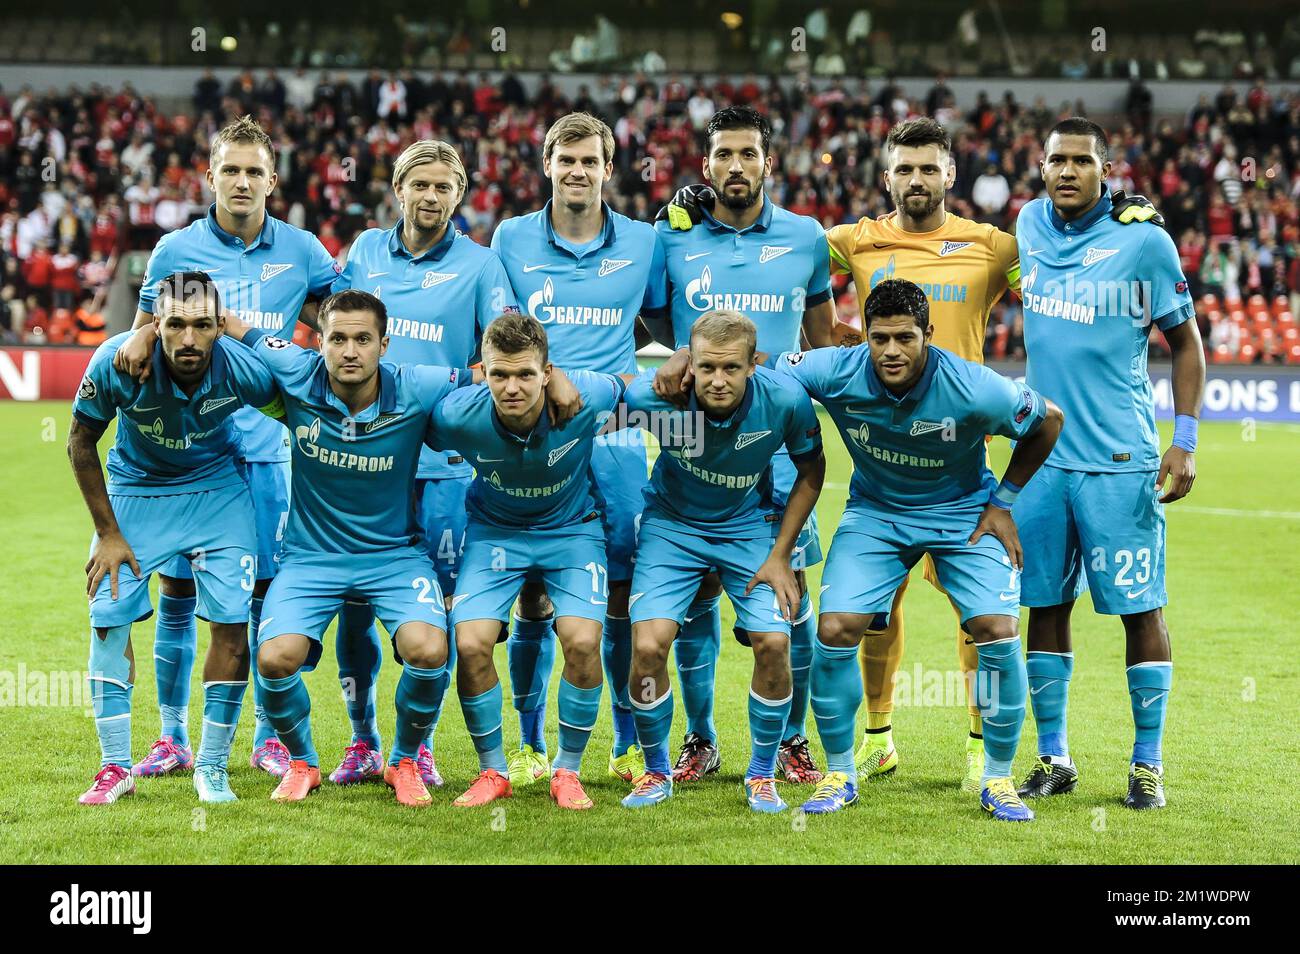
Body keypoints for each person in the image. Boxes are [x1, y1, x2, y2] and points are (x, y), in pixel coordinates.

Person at [776, 279, 1064, 820]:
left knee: (997, 632)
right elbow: (763, 371)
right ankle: (840, 773)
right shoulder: (836, 369)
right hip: (876, 516)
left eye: (904, 338)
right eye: (879, 338)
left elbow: (1049, 421)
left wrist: (1003, 501)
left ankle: (998, 779)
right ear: (864, 336)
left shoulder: (975, 388)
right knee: (835, 629)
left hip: (962, 516)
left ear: (928, 334)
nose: (890, 351)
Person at [111, 115, 340, 782]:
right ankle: (172, 736)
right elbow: (141, 343)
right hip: (193, 454)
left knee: (263, 598)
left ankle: (269, 736)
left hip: (270, 453)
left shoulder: (301, 251)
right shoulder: (175, 250)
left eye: (253, 171)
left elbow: (345, 323)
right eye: (229, 170)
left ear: (273, 180)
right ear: (209, 178)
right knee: (179, 594)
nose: (241, 181)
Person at [647, 105, 859, 785]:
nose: (735, 166)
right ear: (705, 165)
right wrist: (676, 355)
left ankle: (792, 741)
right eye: (722, 155)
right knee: (697, 601)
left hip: (779, 448)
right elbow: (646, 323)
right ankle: (700, 739)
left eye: (748, 154)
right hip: (695, 447)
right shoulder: (672, 239)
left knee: (790, 606)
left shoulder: (805, 237)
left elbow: (823, 339)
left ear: (770, 162)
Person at [1012, 118, 1205, 810]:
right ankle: (1054, 756)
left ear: (1105, 169)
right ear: (1040, 167)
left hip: (1121, 460)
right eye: (1056, 161)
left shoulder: (1144, 241)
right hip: (1040, 459)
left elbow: (1187, 344)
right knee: (1044, 604)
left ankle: (1147, 764)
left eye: (1080, 162)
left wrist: (1184, 439)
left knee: (1140, 609)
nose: (1067, 172)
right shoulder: (1028, 226)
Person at [329, 139, 520, 789]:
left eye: (444, 187)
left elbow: (496, 361)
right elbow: (339, 337)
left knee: (432, 609)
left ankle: (420, 745)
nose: (431, 197)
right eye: (421, 185)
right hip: (368, 461)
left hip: (443, 462)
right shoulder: (363, 254)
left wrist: (419, 385)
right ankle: (361, 741)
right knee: (355, 601)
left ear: (459, 195)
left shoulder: (482, 266)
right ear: (399, 189)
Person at [490, 111, 666, 788]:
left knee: (620, 594)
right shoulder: (511, 238)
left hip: (617, 445)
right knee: (533, 595)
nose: (578, 171)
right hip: (533, 441)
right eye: (566, 159)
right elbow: (505, 332)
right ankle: (531, 746)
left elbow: (665, 317)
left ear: (607, 169)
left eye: (590, 161)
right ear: (547, 165)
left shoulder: (645, 243)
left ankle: (625, 743)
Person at [67, 271, 279, 804]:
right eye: (176, 324)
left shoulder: (243, 368)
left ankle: (211, 767)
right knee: (108, 617)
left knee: (233, 622)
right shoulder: (118, 361)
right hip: (137, 492)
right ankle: (115, 767)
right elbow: (79, 442)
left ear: (220, 327)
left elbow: (300, 409)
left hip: (217, 492)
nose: (189, 339)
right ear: (156, 323)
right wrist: (108, 534)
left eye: (203, 325)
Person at [620, 310, 825, 814]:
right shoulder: (656, 397)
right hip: (671, 526)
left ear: (754, 363)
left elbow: (812, 470)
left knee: (775, 640)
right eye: (706, 367)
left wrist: (781, 554)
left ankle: (760, 775)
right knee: (647, 647)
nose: (717, 380)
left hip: (746, 528)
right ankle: (654, 770)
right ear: (689, 363)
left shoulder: (784, 400)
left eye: (731, 368)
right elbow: (589, 408)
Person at [427, 313, 622, 811]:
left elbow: (635, 386)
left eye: (526, 375)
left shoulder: (589, 397)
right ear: (483, 371)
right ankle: (493, 771)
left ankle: (568, 771)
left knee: (582, 639)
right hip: (496, 533)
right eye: (499, 375)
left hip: (572, 530)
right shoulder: (454, 416)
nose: (512, 387)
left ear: (548, 371)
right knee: (469, 643)